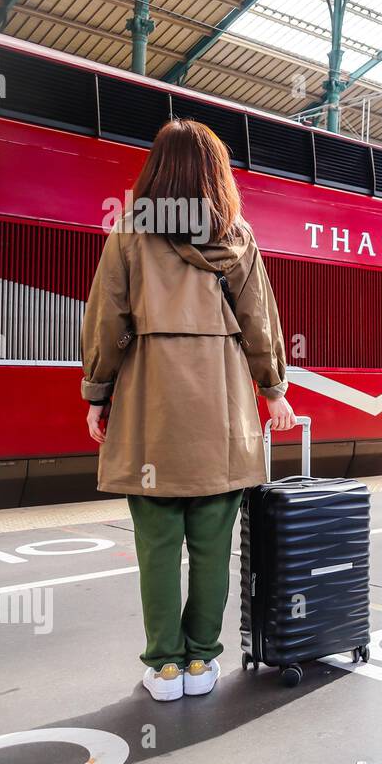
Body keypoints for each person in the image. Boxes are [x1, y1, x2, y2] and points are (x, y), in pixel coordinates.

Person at [81, 119, 295, 702]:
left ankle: (165, 668)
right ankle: (203, 662)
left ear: (156, 169)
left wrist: (97, 394)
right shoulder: (237, 235)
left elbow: (108, 321)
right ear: (217, 174)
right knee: (211, 544)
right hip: (221, 408)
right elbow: (259, 320)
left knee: (155, 544)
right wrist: (273, 390)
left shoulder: (129, 232)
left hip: (152, 406)